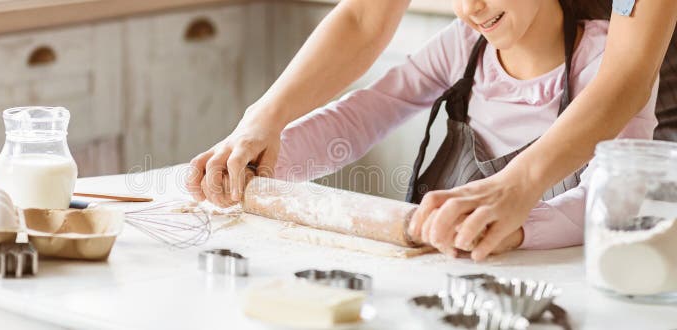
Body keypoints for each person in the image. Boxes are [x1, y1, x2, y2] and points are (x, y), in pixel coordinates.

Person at [187, 0, 677, 260]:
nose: (469, 7)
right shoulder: (464, 44)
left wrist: (520, 210)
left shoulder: (598, 58)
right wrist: (263, 142)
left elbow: (627, 78)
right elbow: (365, 48)